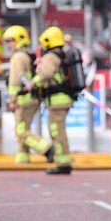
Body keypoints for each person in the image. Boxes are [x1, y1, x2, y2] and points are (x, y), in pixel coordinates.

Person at [3, 25, 53, 164]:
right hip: (31, 97)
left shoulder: (18, 57)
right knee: (23, 128)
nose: (9, 44)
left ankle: (47, 149)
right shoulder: (28, 54)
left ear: (19, 39)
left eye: (10, 41)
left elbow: (15, 80)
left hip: (23, 99)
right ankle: (23, 158)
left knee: (21, 131)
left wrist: (12, 99)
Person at [28, 26, 74, 175]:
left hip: (57, 100)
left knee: (56, 131)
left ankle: (63, 163)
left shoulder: (50, 57)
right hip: (61, 99)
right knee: (57, 130)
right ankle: (62, 161)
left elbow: (45, 74)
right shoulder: (60, 55)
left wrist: (32, 84)